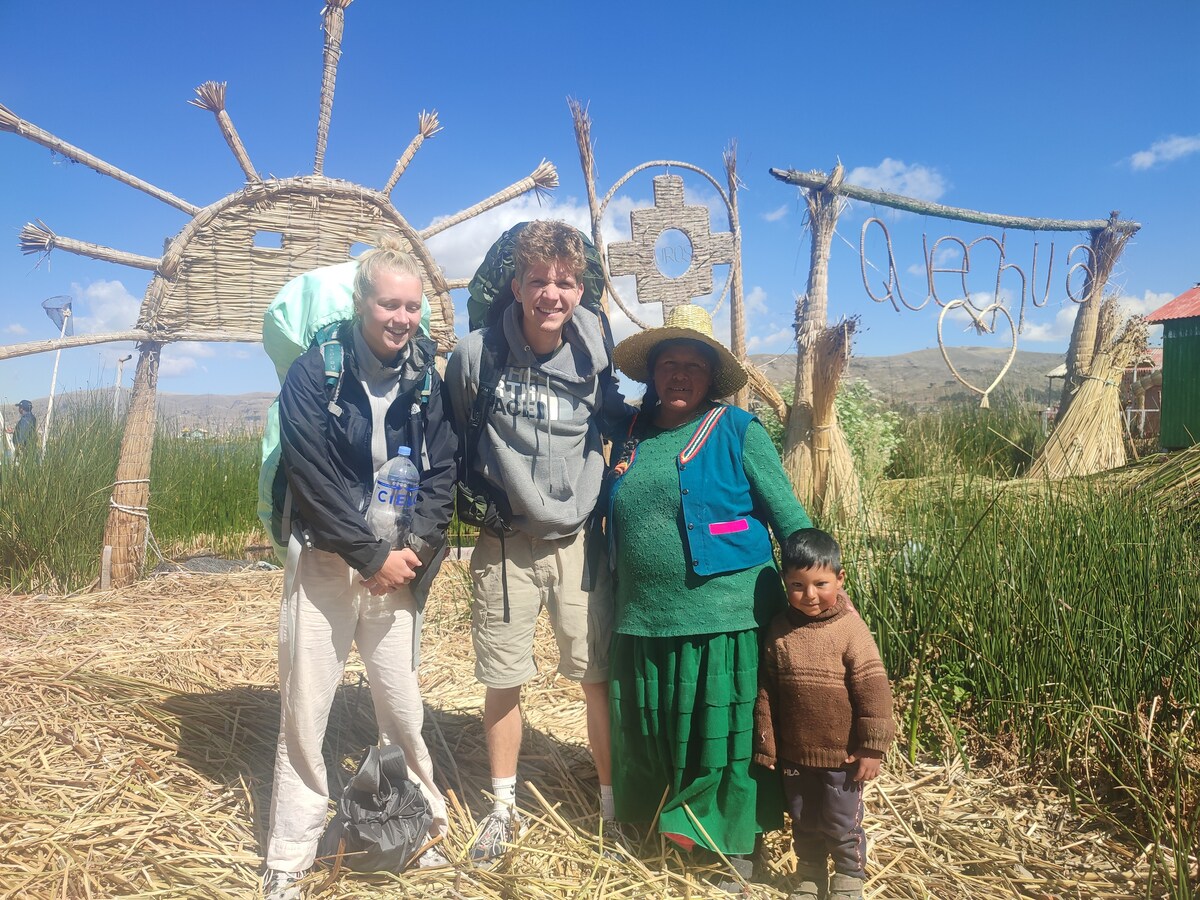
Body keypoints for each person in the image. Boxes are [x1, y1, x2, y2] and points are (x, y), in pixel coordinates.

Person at [261, 239, 456, 900]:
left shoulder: (427, 374)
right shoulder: (317, 372)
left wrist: (415, 551)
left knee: (401, 708)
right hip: (324, 562)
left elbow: (443, 471)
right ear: (360, 302)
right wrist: (367, 553)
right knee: (306, 711)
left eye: (411, 306)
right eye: (388, 304)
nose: (400, 318)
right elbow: (310, 473)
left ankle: (424, 825)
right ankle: (290, 853)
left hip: (398, 568)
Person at [606, 303, 812, 886]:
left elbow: (791, 520)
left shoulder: (737, 432)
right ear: (651, 373)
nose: (678, 376)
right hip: (643, 617)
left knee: (723, 740)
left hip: (726, 615)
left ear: (710, 377)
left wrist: (820, 598)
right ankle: (670, 835)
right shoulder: (630, 436)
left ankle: (735, 849)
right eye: (668, 364)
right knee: (655, 734)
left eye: (692, 367)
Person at [445, 219, 624, 864]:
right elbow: (454, 434)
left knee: (595, 676)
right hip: (504, 541)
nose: (553, 294)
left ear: (581, 290)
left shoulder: (595, 357)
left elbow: (612, 425)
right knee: (504, 676)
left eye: (566, 282)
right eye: (540, 280)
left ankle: (611, 806)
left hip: (577, 540)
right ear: (516, 286)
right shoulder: (476, 356)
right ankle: (501, 808)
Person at [753, 528, 895, 900]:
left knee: (841, 822)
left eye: (820, 583)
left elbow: (874, 690)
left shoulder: (850, 630)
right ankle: (810, 875)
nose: (810, 595)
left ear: (839, 578)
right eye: (797, 585)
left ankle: (849, 877)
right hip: (796, 755)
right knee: (803, 821)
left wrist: (872, 748)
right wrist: (767, 743)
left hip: (842, 757)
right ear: (785, 582)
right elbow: (766, 691)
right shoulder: (780, 631)